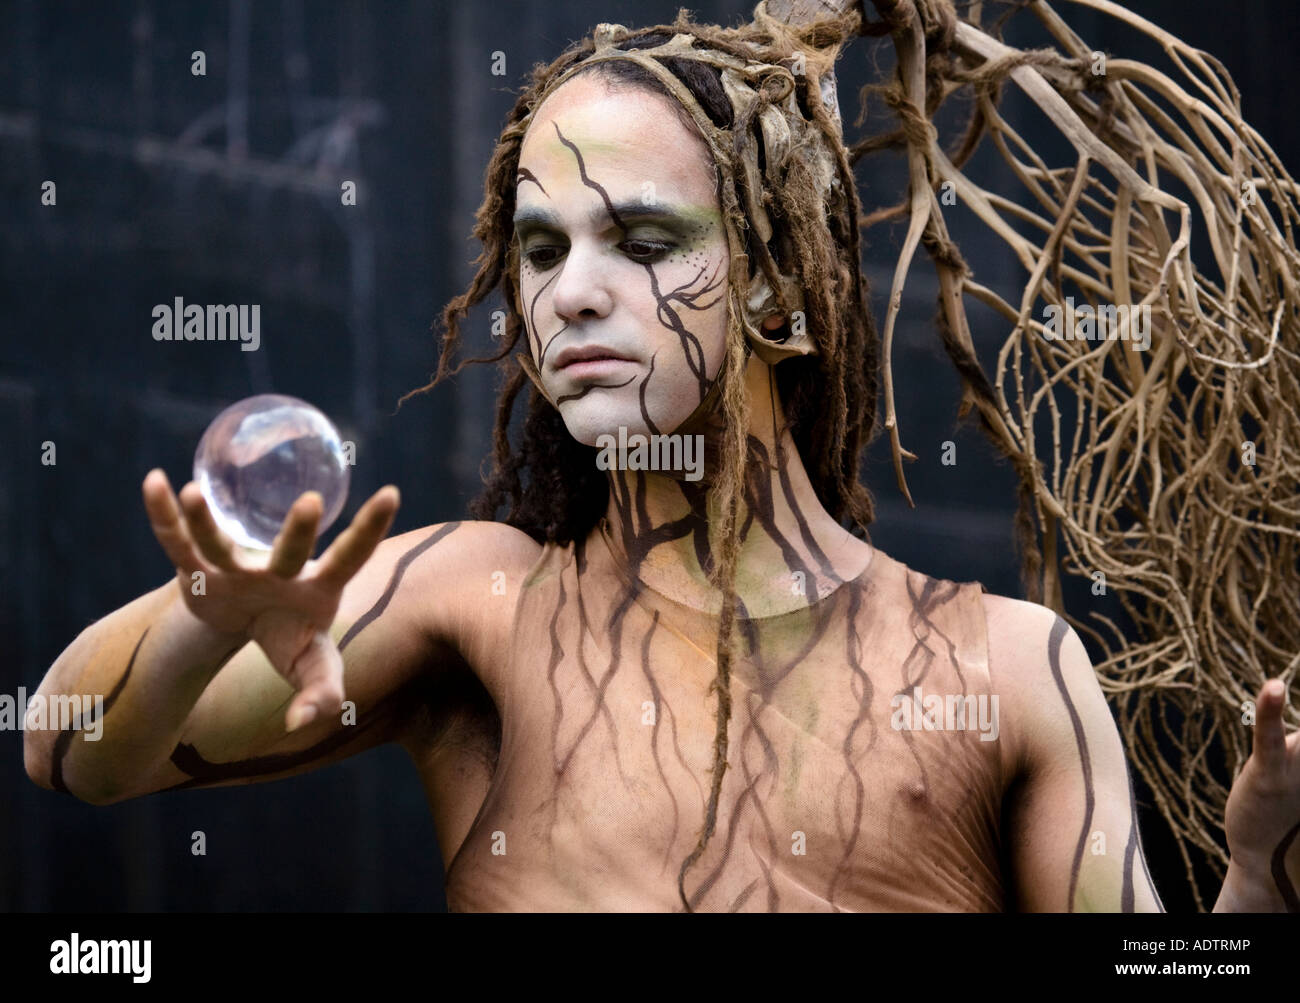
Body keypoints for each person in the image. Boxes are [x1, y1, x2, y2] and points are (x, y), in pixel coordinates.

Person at [25, 5, 1297, 912]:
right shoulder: (484, 609)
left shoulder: (1011, 668)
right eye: (537, 251)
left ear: (779, 292)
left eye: (640, 238)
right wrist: (208, 616)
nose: (571, 292)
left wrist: (1256, 879)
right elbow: (66, 751)